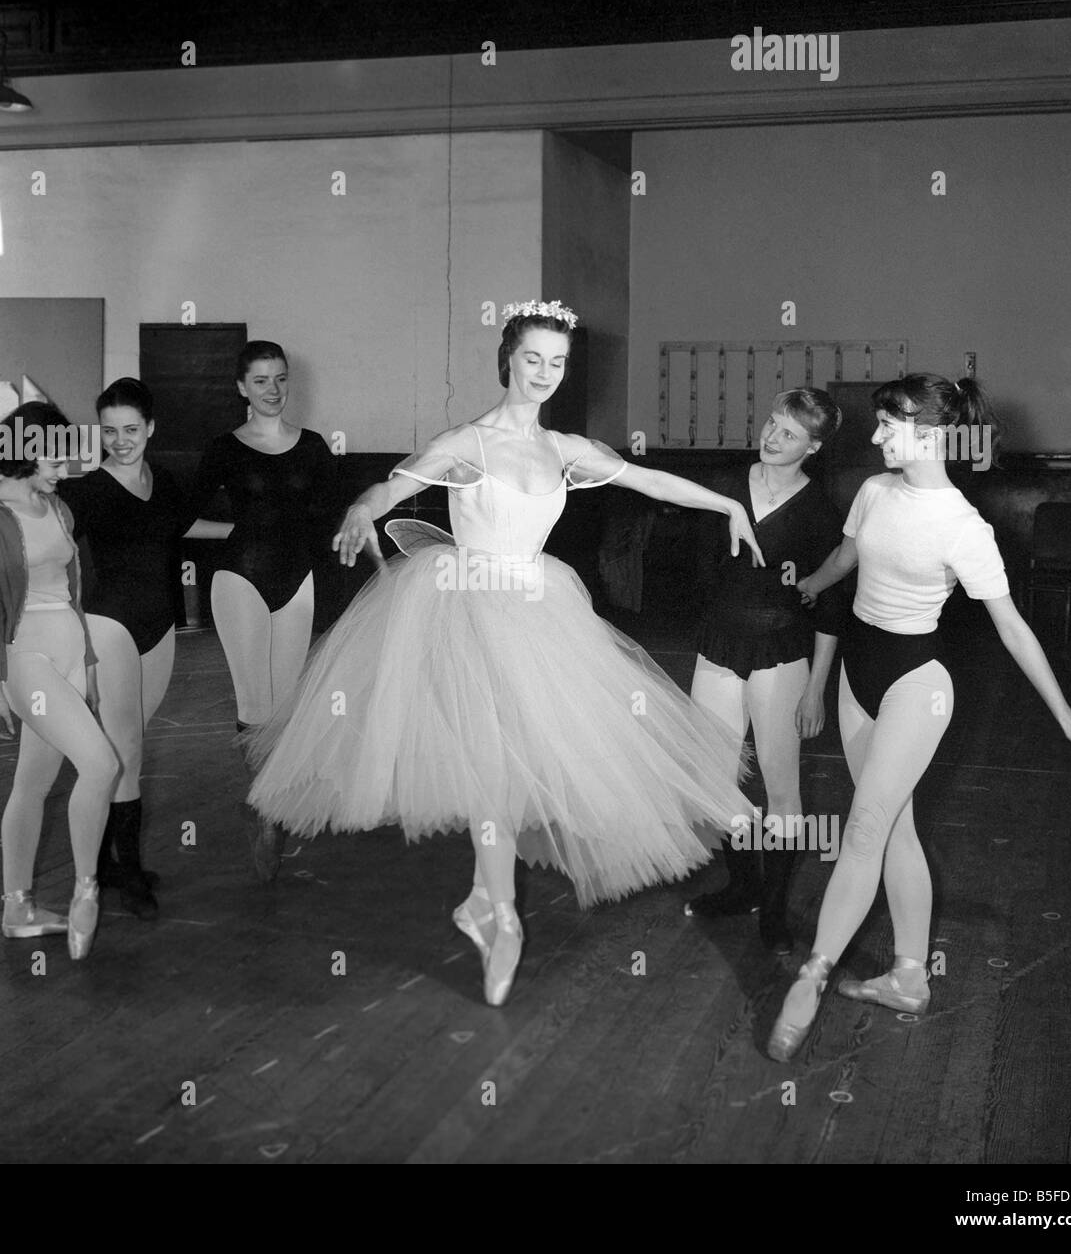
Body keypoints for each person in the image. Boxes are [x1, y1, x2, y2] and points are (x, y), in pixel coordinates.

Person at [244, 300, 766, 1007]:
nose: (545, 373)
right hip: (464, 610)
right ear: (508, 361)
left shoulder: (566, 450)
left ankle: (484, 903)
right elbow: (397, 484)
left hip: (539, 613)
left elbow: (650, 480)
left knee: (513, 777)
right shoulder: (468, 442)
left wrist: (728, 506)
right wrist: (363, 508)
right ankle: (502, 913)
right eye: (533, 360)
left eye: (557, 363)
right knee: (491, 764)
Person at [766, 375, 1071, 1061]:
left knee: (866, 828)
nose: (875, 438)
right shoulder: (876, 492)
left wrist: (1066, 716)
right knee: (896, 826)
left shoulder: (965, 529)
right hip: (858, 674)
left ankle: (811, 976)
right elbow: (850, 555)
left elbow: (1014, 630)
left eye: (887, 425)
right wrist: (810, 583)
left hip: (917, 683)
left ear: (932, 432)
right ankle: (909, 977)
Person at [59, 378, 232, 919]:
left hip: (160, 628)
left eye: (131, 430)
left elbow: (187, 526)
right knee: (127, 750)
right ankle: (126, 872)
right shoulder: (85, 491)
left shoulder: (166, 481)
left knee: (126, 746)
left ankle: (111, 862)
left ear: (150, 428)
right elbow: (50, 541)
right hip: (109, 626)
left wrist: (249, 532)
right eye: (110, 431)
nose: (120, 441)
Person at [685, 389, 846, 953]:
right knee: (715, 777)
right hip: (720, 645)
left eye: (789, 434)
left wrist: (817, 690)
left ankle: (773, 913)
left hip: (783, 654)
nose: (772, 438)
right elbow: (705, 570)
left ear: (814, 446)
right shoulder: (727, 488)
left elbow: (830, 607)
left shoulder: (823, 511)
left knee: (781, 788)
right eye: (772, 424)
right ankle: (742, 885)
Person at [0, 401, 119, 961]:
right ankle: (86, 890)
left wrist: (91, 663)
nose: (65, 469)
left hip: (71, 653)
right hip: (25, 658)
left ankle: (18, 908)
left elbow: (73, 592)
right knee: (102, 765)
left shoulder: (58, 508)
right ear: (26, 452)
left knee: (32, 784)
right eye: (56, 459)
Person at [191, 342, 338, 733]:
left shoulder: (314, 446)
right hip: (241, 578)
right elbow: (182, 519)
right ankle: (257, 795)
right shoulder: (225, 448)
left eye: (280, 379)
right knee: (255, 706)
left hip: (296, 579)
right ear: (242, 388)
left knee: (285, 707)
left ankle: (274, 795)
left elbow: (331, 516)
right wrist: (236, 530)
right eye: (260, 381)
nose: (273, 390)